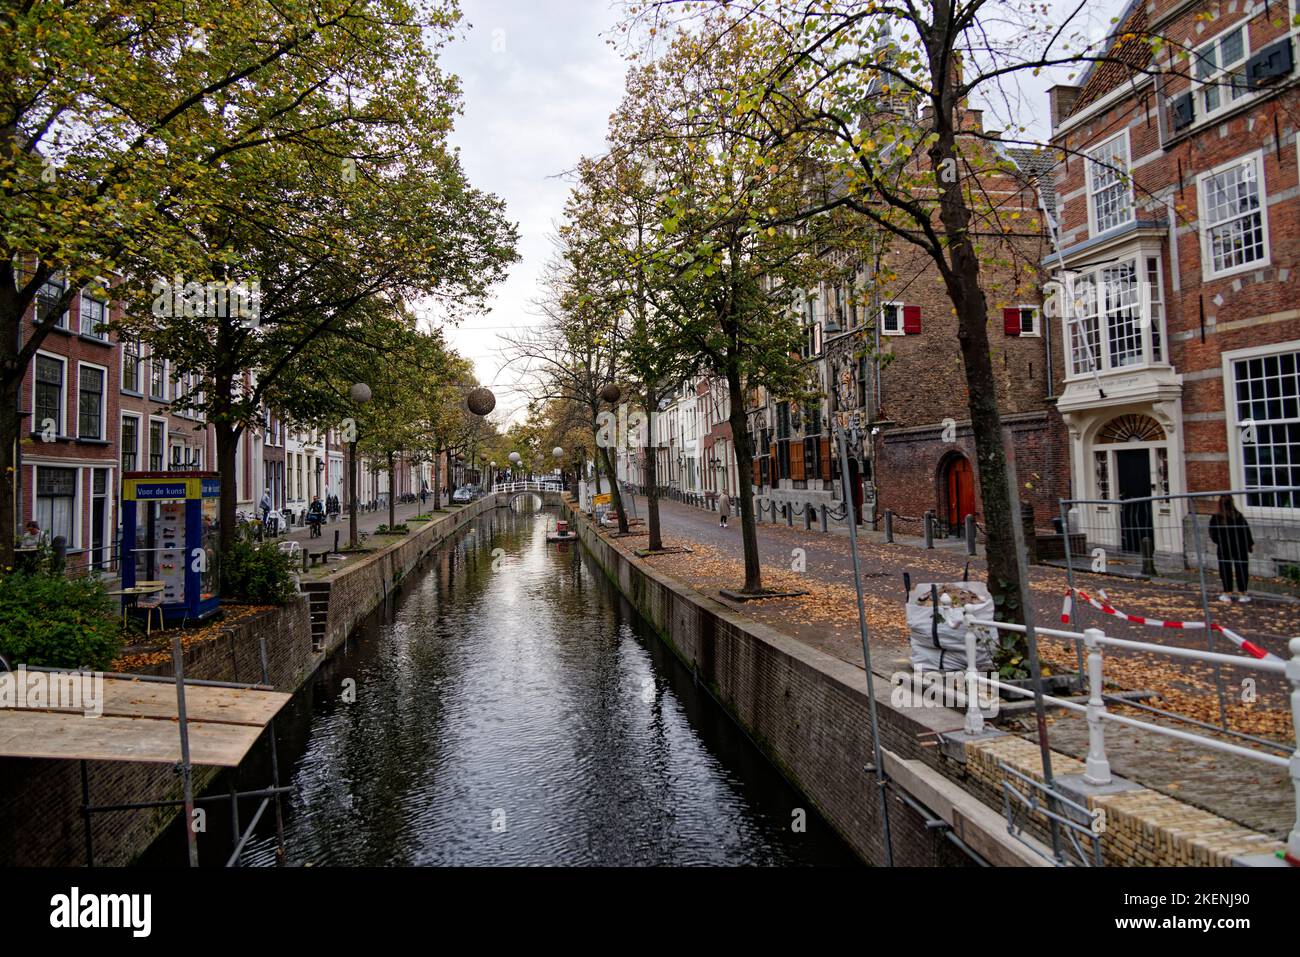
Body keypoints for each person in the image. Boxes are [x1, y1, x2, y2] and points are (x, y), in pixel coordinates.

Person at [1208, 495, 1254, 603]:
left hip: (1224, 547)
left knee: (1225, 569)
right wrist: (1249, 545)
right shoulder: (1239, 516)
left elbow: (1213, 534)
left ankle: (1227, 593)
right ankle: (1242, 594)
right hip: (1240, 547)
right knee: (1242, 569)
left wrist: (1220, 542)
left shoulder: (1216, 518)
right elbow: (1246, 531)